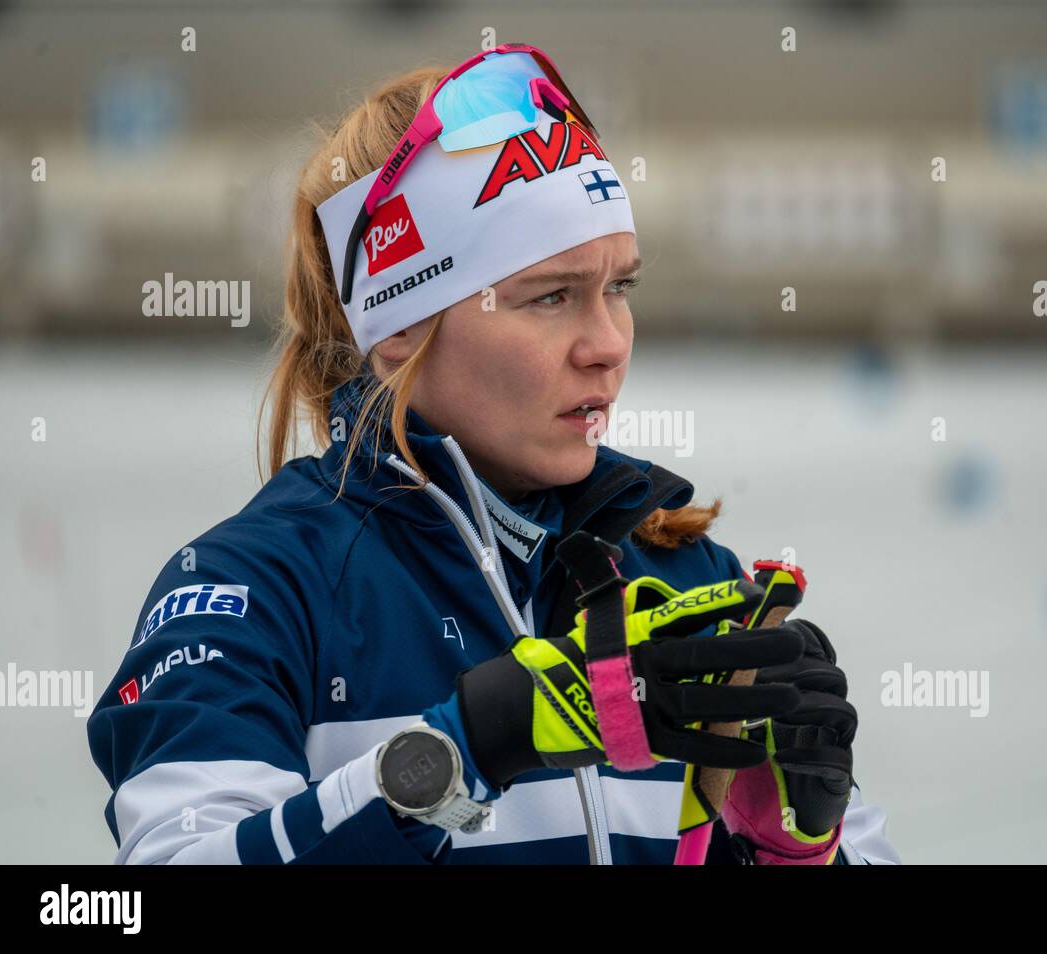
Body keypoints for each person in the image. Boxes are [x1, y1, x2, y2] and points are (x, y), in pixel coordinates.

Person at [86, 43, 898, 865]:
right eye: (551, 296)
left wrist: (800, 851)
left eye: (619, 287)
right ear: (401, 325)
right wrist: (470, 745)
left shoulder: (690, 587)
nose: (608, 345)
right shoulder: (253, 587)